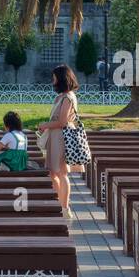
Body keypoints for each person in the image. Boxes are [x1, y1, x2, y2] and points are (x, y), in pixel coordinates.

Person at [37, 64, 81, 218]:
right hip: (55, 137)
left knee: (62, 173)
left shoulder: (68, 97)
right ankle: (58, 202)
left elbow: (62, 121)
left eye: (54, 78)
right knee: (52, 172)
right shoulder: (61, 97)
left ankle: (65, 207)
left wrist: (45, 125)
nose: (52, 81)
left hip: (62, 137)